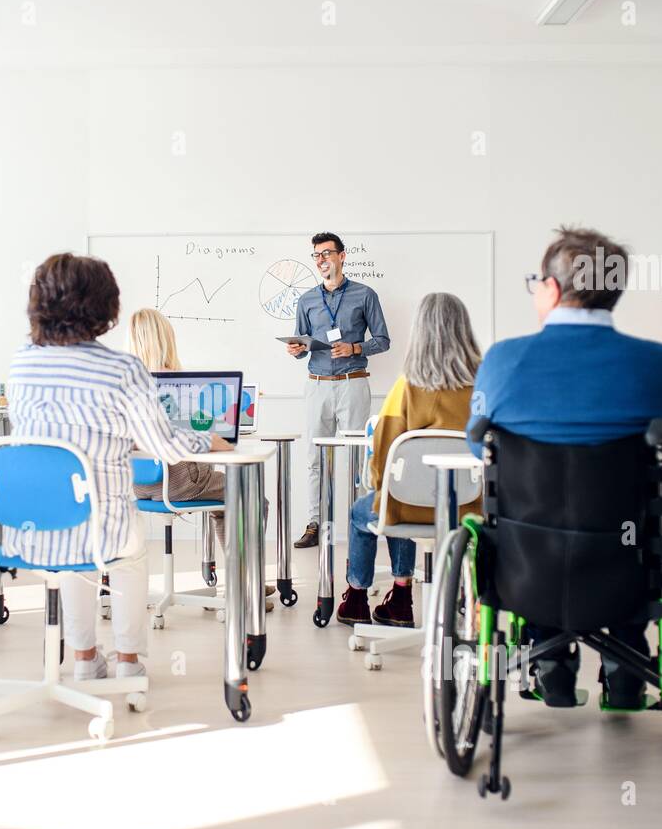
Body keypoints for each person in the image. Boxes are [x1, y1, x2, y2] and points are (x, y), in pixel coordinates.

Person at [466, 226, 662, 708]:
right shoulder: (658, 363)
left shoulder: (503, 360)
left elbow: (482, 450)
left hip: (525, 568)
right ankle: (626, 662)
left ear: (554, 288)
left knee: (537, 525)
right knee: (633, 530)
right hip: (626, 564)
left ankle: (552, 661)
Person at [5, 255, 233, 681]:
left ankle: (85, 660)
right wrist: (210, 440)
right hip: (102, 517)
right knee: (126, 556)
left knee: (75, 560)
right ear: (104, 306)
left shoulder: (22, 360)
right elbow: (164, 444)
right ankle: (128, 663)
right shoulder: (120, 368)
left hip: (33, 520)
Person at [336, 293, 481, 627]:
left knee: (373, 505)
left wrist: (378, 486)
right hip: (467, 509)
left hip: (407, 506)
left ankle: (359, 595)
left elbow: (384, 453)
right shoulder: (482, 386)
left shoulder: (407, 386)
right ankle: (400, 597)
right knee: (397, 494)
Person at [127, 308, 274, 609]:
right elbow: (191, 438)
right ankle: (245, 584)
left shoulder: (125, 384)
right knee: (251, 497)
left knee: (224, 504)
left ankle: (241, 579)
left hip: (139, 486)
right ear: (165, 340)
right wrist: (218, 441)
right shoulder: (176, 384)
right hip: (180, 482)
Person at [286, 232, 390, 548]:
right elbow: (301, 343)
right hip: (317, 386)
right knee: (314, 458)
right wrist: (296, 349)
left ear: (342, 256)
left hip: (353, 383)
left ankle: (360, 524)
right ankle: (314, 523)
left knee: (359, 458)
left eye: (326, 253)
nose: (321, 260)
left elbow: (383, 340)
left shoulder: (365, 294)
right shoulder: (306, 300)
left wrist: (355, 347)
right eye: (316, 255)